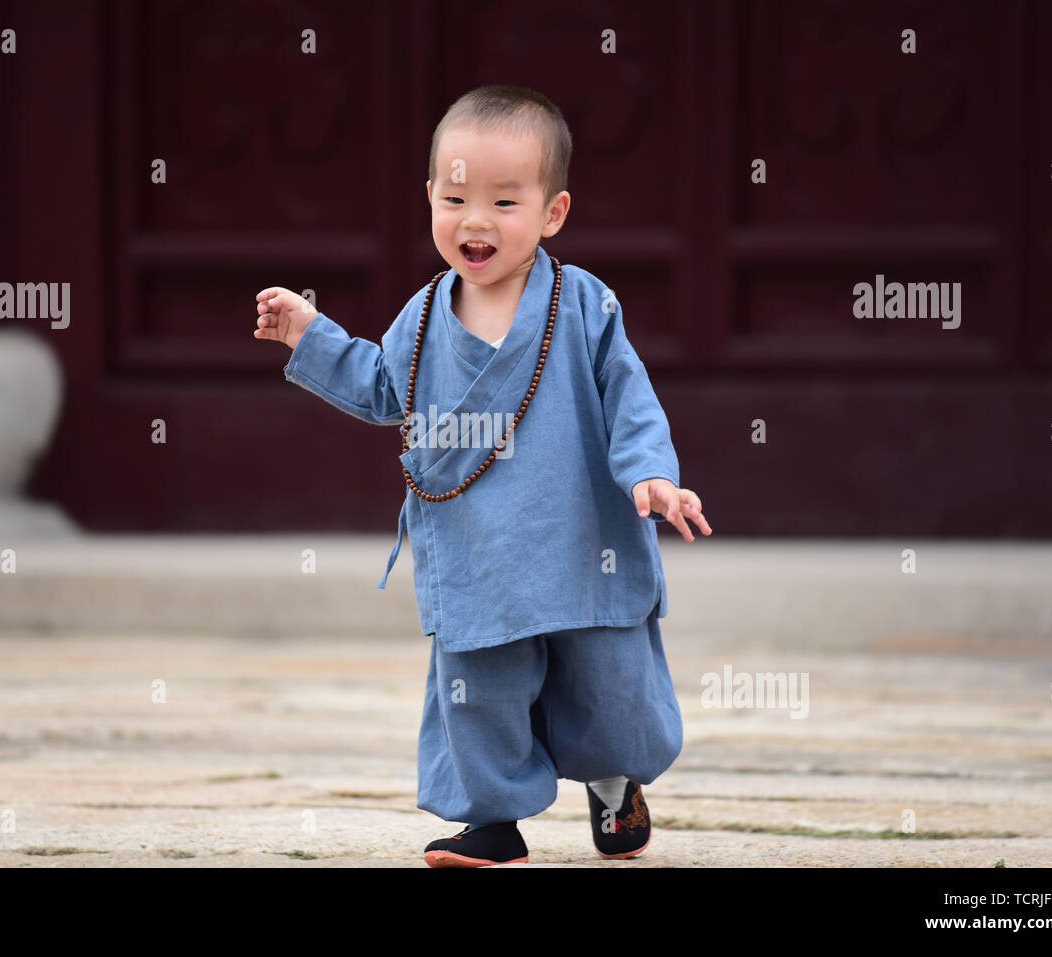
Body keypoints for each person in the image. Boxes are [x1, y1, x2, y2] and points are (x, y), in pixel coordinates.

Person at [254, 84, 712, 866]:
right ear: (429, 196)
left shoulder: (584, 305)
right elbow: (379, 386)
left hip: (582, 540)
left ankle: (611, 781)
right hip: (477, 551)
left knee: (607, 693)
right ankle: (493, 821)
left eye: (504, 201)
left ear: (553, 213)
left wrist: (650, 474)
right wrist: (311, 333)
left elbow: (628, 394)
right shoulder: (426, 314)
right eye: (455, 196)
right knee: (480, 692)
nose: (475, 220)